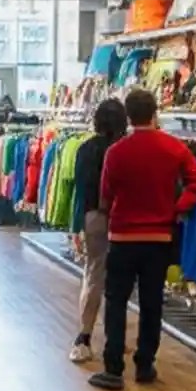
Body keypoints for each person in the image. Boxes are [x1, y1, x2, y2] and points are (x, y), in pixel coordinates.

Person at [88, 89, 196, 390]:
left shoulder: (116, 152)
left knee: (116, 301)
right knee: (152, 302)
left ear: (128, 117)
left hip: (123, 235)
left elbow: (106, 194)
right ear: (155, 114)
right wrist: (178, 208)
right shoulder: (174, 148)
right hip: (158, 236)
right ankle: (145, 364)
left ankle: (113, 367)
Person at [69, 98, 128, 364]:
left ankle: (84, 336)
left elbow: (80, 191)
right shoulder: (125, 149)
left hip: (94, 217)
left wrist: (76, 226)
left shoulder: (85, 149)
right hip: (126, 218)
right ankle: (116, 336)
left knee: (93, 274)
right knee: (121, 280)